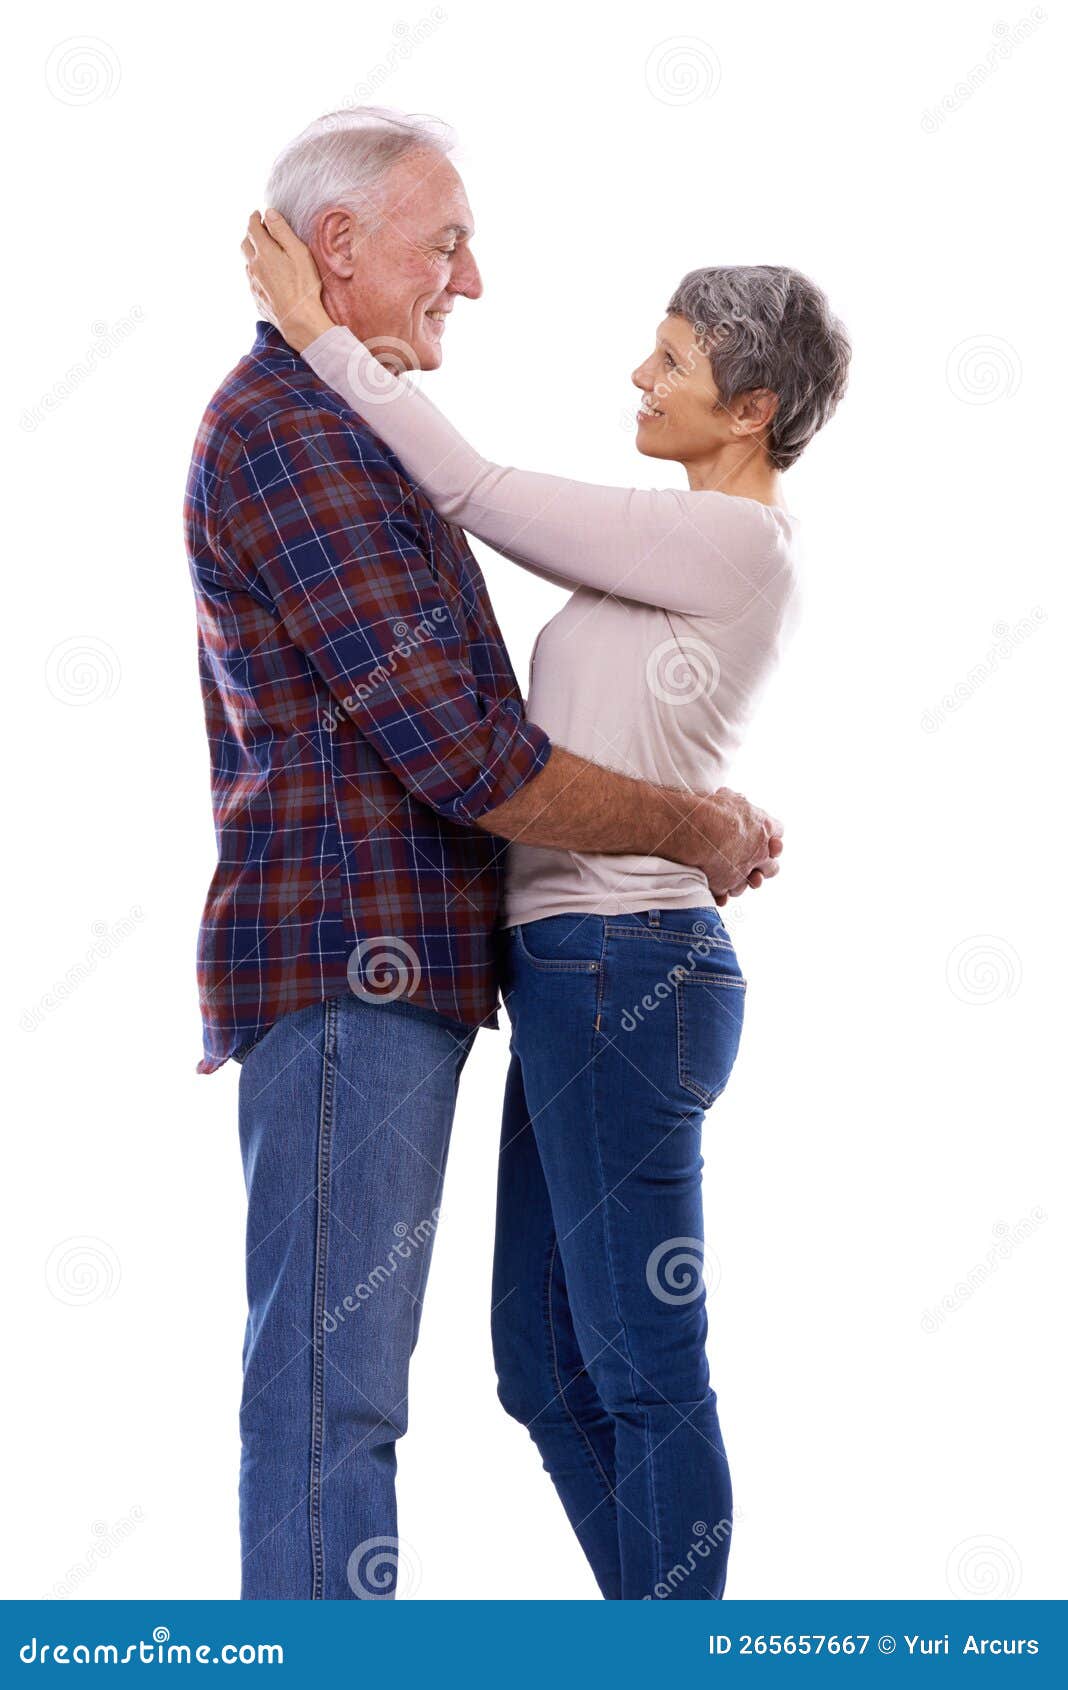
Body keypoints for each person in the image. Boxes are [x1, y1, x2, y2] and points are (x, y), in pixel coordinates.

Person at [185, 107, 781, 1602]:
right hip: (349, 964)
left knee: (496, 1369)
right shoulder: (293, 431)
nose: (474, 277)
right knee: (348, 1395)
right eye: (444, 242)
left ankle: (664, 1640)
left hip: (465, 973)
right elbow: (469, 751)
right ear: (339, 251)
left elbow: (488, 548)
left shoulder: (359, 425)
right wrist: (697, 824)